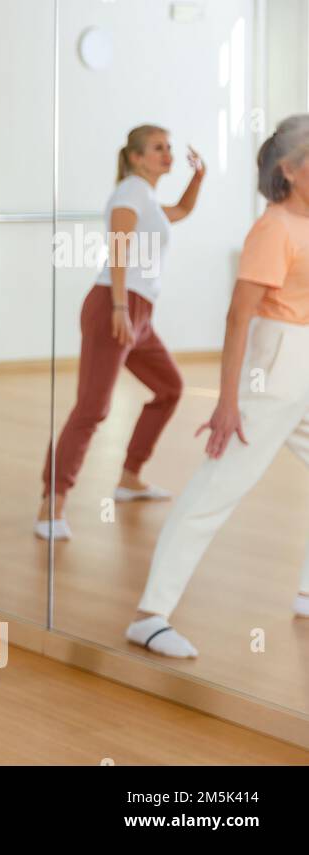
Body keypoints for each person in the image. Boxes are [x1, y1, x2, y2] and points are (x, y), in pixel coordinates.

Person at [126, 115, 309, 658]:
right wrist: (227, 402)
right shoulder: (273, 228)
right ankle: (150, 614)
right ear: (290, 171)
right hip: (273, 370)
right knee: (216, 489)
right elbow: (238, 318)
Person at [37, 125, 205, 540]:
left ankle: (130, 478)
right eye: (157, 148)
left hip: (138, 311)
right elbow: (118, 246)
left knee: (169, 388)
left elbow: (179, 213)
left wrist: (197, 178)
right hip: (116, 306)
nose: (167, 154)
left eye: (169, 147)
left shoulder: (144, 195)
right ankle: (50, 505)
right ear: (134, 157)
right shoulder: (130, 191)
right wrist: (117, 307)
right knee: (92, 408)